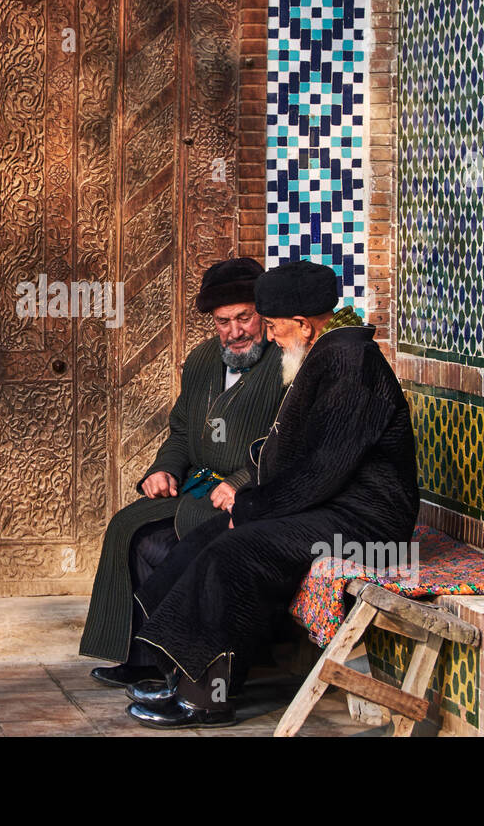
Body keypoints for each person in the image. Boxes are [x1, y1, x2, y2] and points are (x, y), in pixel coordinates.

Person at [124, 259, 419, 728]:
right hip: (329, 509)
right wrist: (251, 501)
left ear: (303, 324)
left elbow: (323, 470)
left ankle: (207, 699)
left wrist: (255, 507)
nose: (272, 336)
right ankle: (183, 674)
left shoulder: (351, 362)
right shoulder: (326, 352)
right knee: (204, 538)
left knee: (234, 551)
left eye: (276, 326)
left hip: (366, 523)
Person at [79, 257, 285, 687]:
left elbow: (283, 444)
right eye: (223, 322)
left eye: (244, 318)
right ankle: (140, 659)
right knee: (127, 529)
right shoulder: (203, 360)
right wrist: (163, 469)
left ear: (262, 314)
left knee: (164, 548)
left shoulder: (286, 365)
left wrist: (241, 480)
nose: (235, 332)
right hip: (196, 487)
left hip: (250, 495)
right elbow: (180, 431)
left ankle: (181, 665)